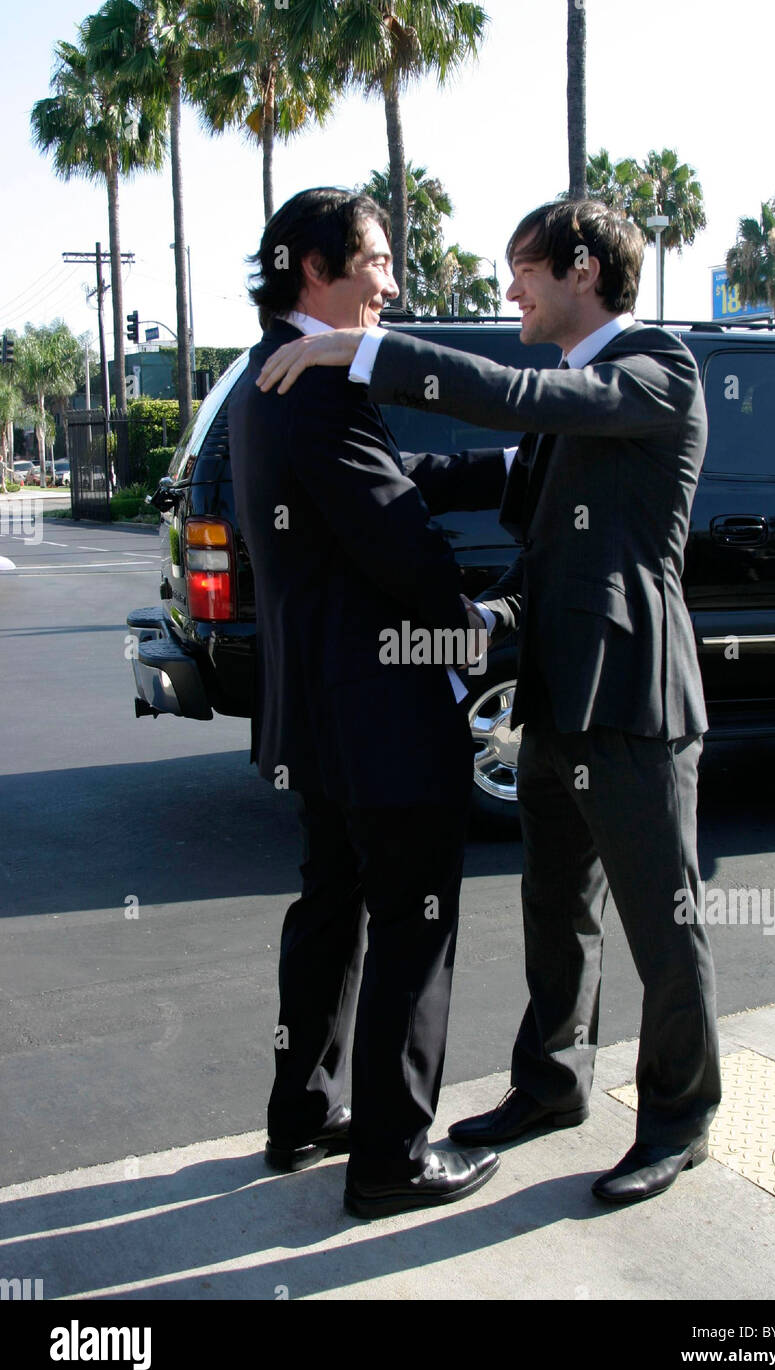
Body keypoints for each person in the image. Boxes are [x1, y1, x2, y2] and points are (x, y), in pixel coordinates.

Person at [256, 198, 723, 1205]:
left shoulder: (653, 367)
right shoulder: (567, 392)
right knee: (556, 909)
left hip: (633, 698)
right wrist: (479, 618)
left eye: (521, 270)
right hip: (553, 696)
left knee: (661, 919)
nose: (506, 288)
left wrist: (366, 352)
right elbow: (545, 554)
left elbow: (510, 398)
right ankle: (552, 1083)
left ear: (583, 270)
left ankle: (677, 1118)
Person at [229, 187, 507, 1218]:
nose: (392, 281)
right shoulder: (318, 387)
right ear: (314, 266)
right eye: (376, 260)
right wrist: (470, 621)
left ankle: (301, 1112)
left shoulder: (274, 376)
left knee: (332, 909)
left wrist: (509, 467)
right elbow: (393, 534)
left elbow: (390, 477)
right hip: (380, 715)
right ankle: (391, 1153)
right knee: (412, 921)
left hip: (318, 714)